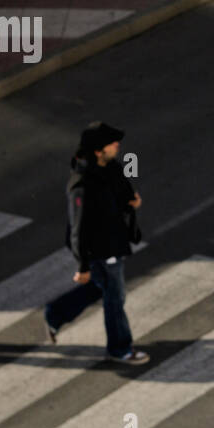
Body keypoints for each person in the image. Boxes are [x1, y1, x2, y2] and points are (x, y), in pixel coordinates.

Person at [44, 122, 149, 365]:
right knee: (115, 299)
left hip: (114, 242)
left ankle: (55, 314)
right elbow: (78, 229)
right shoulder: (81, 186)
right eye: (111, 143)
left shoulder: (111, 167)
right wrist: (82, 266)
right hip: (101, 249)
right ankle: (120, 348)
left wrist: (132, 202)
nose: (117, 145)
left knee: (101, 287)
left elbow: (124, 193)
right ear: (97, 151)